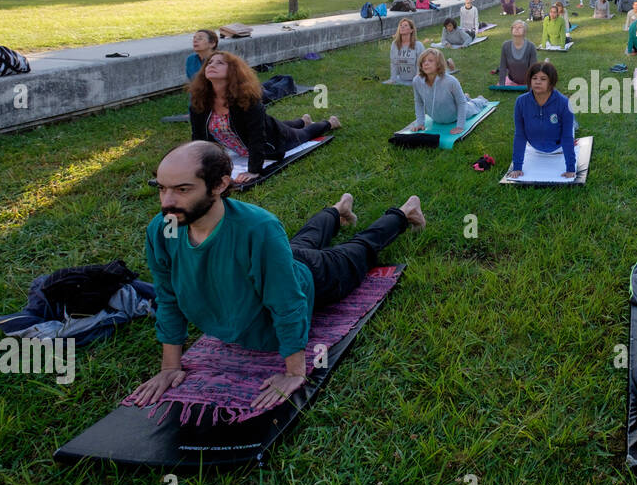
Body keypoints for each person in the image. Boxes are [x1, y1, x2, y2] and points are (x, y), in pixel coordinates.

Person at [133, 140, 425, 411]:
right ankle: (337, 210)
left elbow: (286, 301)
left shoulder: (258, 228)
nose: (166, 202)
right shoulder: (162, 230)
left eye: (182, 190)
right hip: (276, 259)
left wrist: (294, 372)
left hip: (311, 276)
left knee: (358, 251)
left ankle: (404, 211)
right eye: (161, 188)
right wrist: (170, 368)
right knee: (302, 242)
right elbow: (168, 297)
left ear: (220, 184)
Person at [189, 51, 339, 185]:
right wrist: (200, 167)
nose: (211, 65)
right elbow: (199, 138)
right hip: (255, 134)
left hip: (273, 139)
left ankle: (329, 123)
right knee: (275, 124)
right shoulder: (199, 102)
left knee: (303, 135)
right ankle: (302, 121)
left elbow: (257, 137)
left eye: (220, 62)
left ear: (233, 72)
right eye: (209, 63)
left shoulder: (247, 100)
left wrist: (253, 170)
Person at [509, 60, 576, 179]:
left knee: (570, 126)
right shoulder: (521, 102)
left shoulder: (564, 103)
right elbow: (520, 135)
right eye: (534, 78)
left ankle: (573, 122)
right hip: (535, 148)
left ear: (551, 82)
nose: (538, 82)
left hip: (558, 148)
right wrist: (517, 167)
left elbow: (566, 137)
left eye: (543, 79)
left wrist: (570, 168)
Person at [407, 49, 489, 133]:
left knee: (473, 105)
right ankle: (466, 96)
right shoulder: (417, 81)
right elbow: (419, 102)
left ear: (439, 64)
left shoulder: (451, 81)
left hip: (456, 115)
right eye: (423, 61)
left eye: (430, 61)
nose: (426, 63)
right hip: (438, 118)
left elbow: (461, 103)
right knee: (461, 98)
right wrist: (420, 123)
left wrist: (460, 126)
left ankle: (480, 99)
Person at [497, 20, 538, 86]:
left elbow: (534, 68)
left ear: (525, 31)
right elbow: (502, 67)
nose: (516, 28)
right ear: (511, 30)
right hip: (512, 80)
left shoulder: (531, 46)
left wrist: (532, 84)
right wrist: (502, 85)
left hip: (527, 81)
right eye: (514, 27)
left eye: (520, 27)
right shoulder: (505, 46)